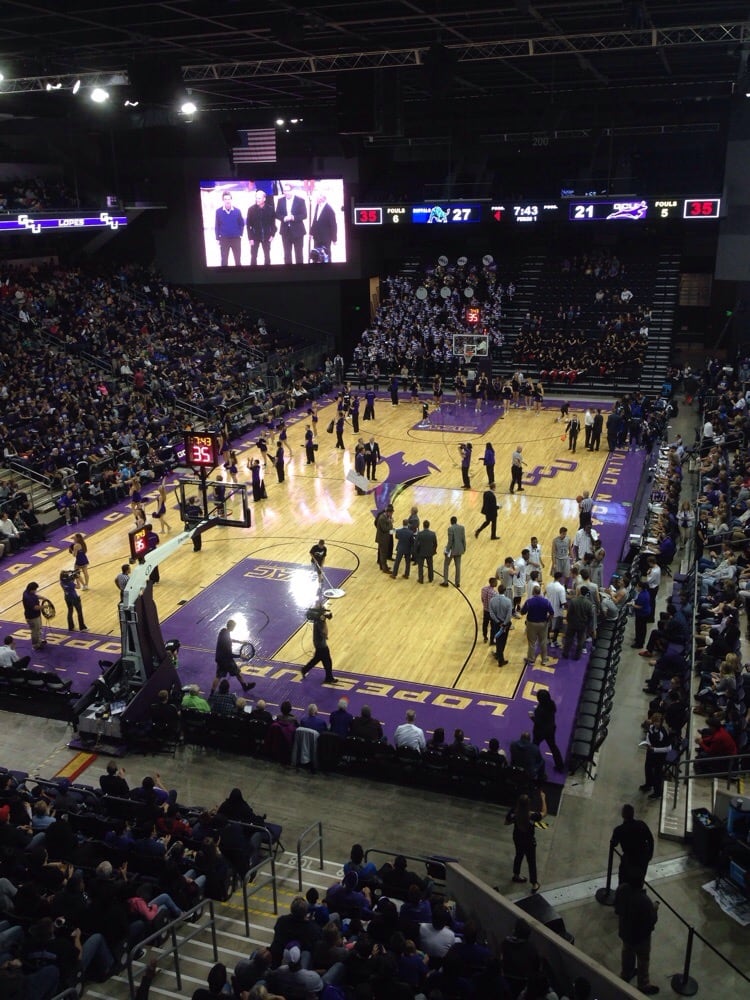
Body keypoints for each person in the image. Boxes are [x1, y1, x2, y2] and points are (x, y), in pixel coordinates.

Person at [615, 875, 660, 994]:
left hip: (626, 932)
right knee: (643, 959)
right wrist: (654, 908)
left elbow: (617, 909)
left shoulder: (621, 890)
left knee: (627, 952)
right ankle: (643, 984)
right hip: (641, 938)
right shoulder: (644, 900)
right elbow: (651, 920)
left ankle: (626, 974)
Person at [505, 789, 547, 892]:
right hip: (528, 840)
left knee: (519, 855)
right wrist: (543, 798)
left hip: (517, 838)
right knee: (531, 861)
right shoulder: (533, 816)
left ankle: (516, 875)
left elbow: (506, 822)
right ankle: (534, 883)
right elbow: (544, 812)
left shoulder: (514, 812)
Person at [610, 804, 654, 882]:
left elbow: (614, 843)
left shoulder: (619, 830)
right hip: (642, 858)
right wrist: (649, 855)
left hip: (629, 859)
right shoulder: (641, 824)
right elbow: (650, 839)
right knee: (639, 881)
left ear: (623, 815)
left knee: (624, 881)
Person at [213, 619, 255, 694]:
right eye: (234, 627)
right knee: (237, 672)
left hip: (220, 658)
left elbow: (229, 639)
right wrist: (240, 656)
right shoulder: (227, 642)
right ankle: (244, 686)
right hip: (227, 660)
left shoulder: (223, 631)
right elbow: (229, 654)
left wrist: (240, 642)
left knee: (219, 676)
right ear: (232, 627)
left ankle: (212, 693)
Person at [529, 689, 565, 771]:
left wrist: (532, 717)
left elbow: (538, 722)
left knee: (535, 746)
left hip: (540, 731)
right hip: (550, 729)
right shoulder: (551, 704)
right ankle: (560, 766)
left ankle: (532, 763)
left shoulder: (539, 710)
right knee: (553, 746)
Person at [520, 584, 554, 666]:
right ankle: (544, 660)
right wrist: (548, 620)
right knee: (543, 642)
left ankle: (531, 660)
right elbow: (552, 613)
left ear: (533, 592)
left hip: (531, 624)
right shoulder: (546, 602)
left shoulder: (529, 602)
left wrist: (522, 608)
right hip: (543, 624)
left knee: (532, 642)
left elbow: (522, 612)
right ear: (540, 592)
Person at [301, 607, 336, 684]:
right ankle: (328, 678)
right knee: (327, 661)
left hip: (319, 644)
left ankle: (304, 670)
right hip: (321, 645)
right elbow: (324, 633)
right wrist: (324, 621)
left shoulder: (318, 620)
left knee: (317, 659)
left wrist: (324, 619)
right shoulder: (319, 622)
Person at [274, 181, 307, 264]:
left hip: (298, 232)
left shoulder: (300, 200)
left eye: (288, 190)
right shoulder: (280, 200)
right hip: (285, 232)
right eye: (285, 191)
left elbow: (304, 215)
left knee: (299, 254)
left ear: (292, 191)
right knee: (287, 254)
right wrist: (284, 218)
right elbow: (277, 214)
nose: (286, 192)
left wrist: (294, 218)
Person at [641, 712, 670, 800]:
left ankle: (658, 792)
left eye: (658, 722)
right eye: (655, 721)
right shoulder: (651, 728)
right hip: (651, 752)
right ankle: (648, 784)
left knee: (657, 773)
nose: (656, 723)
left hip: (659, 755)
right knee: (647, 768)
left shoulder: (663, 733)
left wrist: (655, 749)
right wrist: (648, 744)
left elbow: (668, 748)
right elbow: (648, 737)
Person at [245, 188, 276, 266]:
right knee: (253, 256)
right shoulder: (251, 209)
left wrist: (272, 235)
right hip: (255, 237)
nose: (257, 200)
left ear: (264, 199)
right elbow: (248, 225)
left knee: (267, 256)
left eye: (259, 198)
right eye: (256, 198)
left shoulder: (270, 209)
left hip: (267, 236)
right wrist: (250, 238)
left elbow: (273, 224)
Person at [214, 190, 244, 266]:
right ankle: (223, 277)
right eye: (225, 199)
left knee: (238, 260)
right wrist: (217, 238)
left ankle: (240, 275)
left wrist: (240, 234)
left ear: (231, 199)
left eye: (229, 199)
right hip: (224, 239)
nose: (227, 201)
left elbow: (242, 223)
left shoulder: (237, 211)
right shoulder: (218, 211)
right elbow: (217, 225)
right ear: (223, 200)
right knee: (224, 261)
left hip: (236, 239)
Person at [309, 191, 337, 261]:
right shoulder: (317, 206)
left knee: (326, 255)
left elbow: (333, 225)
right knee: (316, 255)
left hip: (326, 238)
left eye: (317, 198)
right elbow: (315, 220)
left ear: (323, 198)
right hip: (317, 236)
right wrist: (311, 232)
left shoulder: (329, 210)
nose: (316, 199)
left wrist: (334, 239)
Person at [441, 515, 467, 587]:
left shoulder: (450, 529)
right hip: (459, 549)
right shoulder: (462, 528)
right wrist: (464, 548)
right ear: (456, 521)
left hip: (452, 550)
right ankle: (457, 583)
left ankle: (445, 582)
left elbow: (450, 541)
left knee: (446, 564)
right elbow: (463, 539)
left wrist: (446, 550)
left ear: (451, 522)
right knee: (458, 566)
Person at [22, 581, 45, 651]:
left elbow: (35, 596)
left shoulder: (27, 592)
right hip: (32, 617)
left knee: (39, 629)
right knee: (35, 631)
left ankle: (39, 641)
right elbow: (35, 607)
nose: (36, 591)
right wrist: (44, 606)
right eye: (35, 589)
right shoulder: (28, 598)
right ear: (32, 590)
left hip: (36, 615)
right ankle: (35, 645)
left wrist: (42, 597)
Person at [414, 519, 438, 584]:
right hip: (429, 553)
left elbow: (415, 544)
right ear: (428, 526)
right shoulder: (432, 534)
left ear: (423, 526)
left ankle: (421, 579)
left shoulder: (420, 534)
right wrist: (433, 551)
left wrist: (416, 552)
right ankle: (431, 579)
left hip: (421, 552)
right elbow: (435, 544)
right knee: (430, 566)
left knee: (420, 567)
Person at [375, 503, 394, 573]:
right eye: (391, 513)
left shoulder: (385, 517)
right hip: (382, 539)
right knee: (383, 554)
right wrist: (390, 523)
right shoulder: (382, 518)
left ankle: (383, 566)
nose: (392, 515)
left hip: (384, 538)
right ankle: (384, 568)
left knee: (383, 553)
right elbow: (385, 529)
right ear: (388, 512)